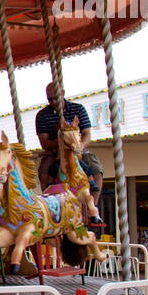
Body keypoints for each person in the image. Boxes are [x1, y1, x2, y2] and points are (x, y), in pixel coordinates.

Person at [34, 81, 101, 221]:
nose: (52, 101)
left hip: (77, 148)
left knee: (95, 167)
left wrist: (80, 146)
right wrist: (61, 141)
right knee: (44, 170)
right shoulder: (42, 115)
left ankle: (93, 206)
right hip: (55, 151)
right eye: (49, 99)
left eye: (55, 98)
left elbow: (87, 133)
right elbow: (45, 142)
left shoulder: (78, 109)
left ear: (63, 94)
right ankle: (50, 202)